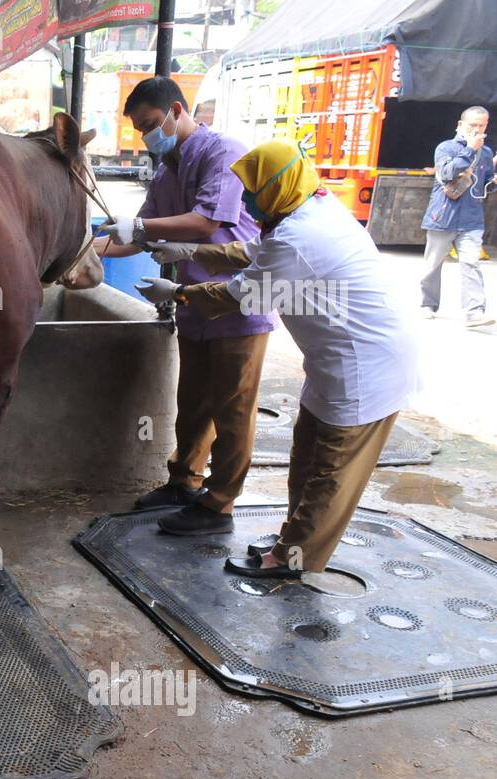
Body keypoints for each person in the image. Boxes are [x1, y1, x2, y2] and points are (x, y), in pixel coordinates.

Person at [136, 140, 420, 579]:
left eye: (252, 190)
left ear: (275, 186)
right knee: (305, 453)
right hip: (333, 360)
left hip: (365, 367)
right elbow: (252, 252)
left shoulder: (302, 236)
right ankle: (293, 536)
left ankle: (294, 558)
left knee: (331, 471)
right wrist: (188, 251)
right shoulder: (305, 210)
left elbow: (242, 294)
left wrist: (177, 292)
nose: (246, 200)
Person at [98, 77, 277, 536]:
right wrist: (86, 248)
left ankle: (219, 505)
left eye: (152, 124)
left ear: (177, 110)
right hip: (192, 300)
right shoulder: (165, 171)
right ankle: (184, 481)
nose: (147, 136)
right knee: (193, 400)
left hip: (240, 298)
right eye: (140, 129)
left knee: (233, 408)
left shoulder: (224, 152)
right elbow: (137, 235)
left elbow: (205, 222)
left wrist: (136, 225)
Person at [420, 106, 494, 329]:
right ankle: (428, 304)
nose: (477, 130)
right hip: (443, 216)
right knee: (432, 265)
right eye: (472, 125)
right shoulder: (446, 147)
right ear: (460, 125)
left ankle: (474, 312)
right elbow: (446, 173)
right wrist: (470, 150)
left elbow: (485, 183)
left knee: (471, 262)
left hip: (472, 219)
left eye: (482, 126)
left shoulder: (487, 153)